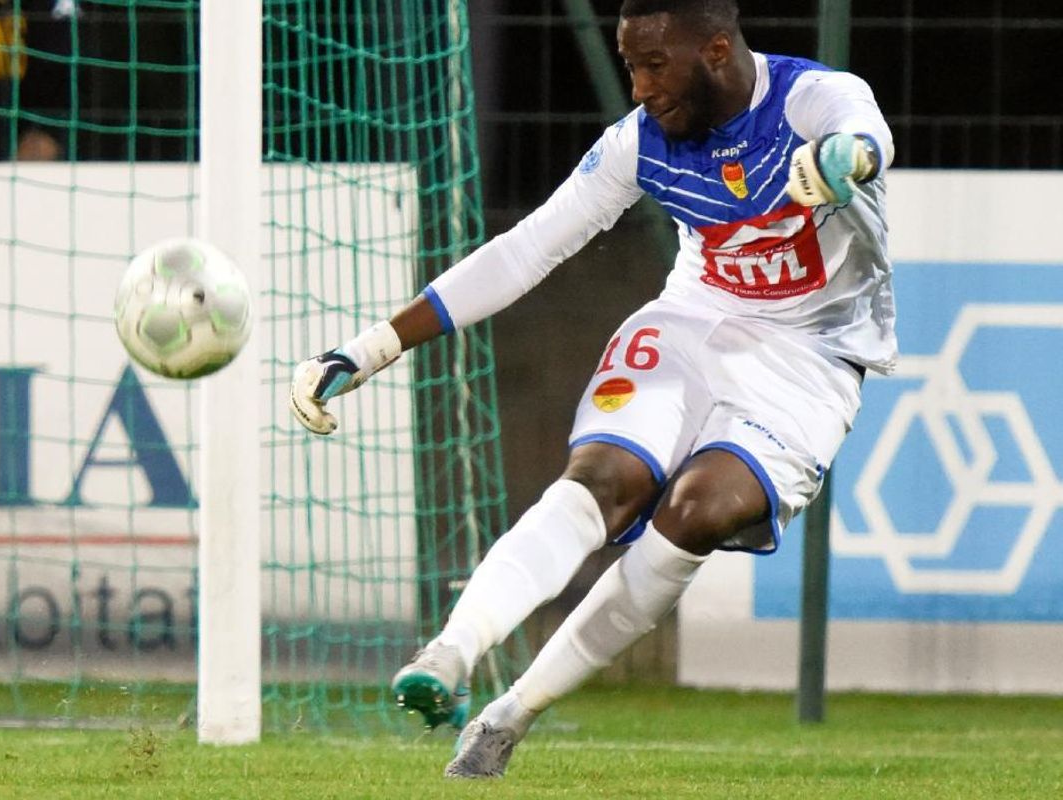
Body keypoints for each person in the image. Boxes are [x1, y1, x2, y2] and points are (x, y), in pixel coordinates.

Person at [290, 0, 894, 779]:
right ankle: (452, 650)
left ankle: (513, 713)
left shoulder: (809, 99)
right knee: (601, 480)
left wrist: (846, 157)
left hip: (812, 360)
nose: (639, 89)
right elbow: (525, 250)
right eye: (629, 68)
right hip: (695, 319)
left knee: (695, 512)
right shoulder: (641, 144)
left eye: (653, 66)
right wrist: (372, 347)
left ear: (716, 51)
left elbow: (866, 134)